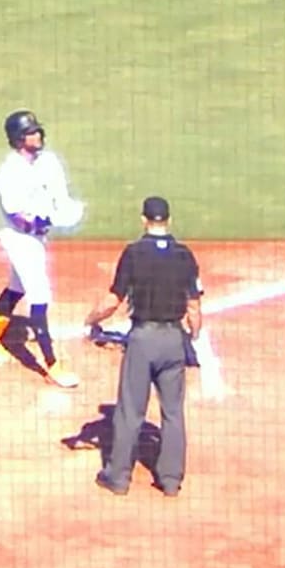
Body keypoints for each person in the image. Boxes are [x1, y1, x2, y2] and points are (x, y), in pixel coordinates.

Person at [85, 196, 203, 497]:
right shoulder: (184, 255)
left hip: (142, 340)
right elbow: (193, 305)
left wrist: (92, 318)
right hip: (173, 339)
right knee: (173, 412)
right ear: (169, 220)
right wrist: (194, 334)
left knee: (129, 411)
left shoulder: (134, 253)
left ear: (144, 220)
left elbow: (114, 300)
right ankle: (171, 480)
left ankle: (118, 477)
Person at [0, 109, 84, 387]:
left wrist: (66, 214)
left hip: (38, 237)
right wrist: (46, 221)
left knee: (17, 286)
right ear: (20, 139)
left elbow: (61, 197)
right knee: (39, 293)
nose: (38, 135)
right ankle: (51, 364)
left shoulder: (49, 162)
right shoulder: (8, 173)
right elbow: (17, 218)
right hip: (18, 237)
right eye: (32, 132)